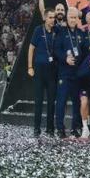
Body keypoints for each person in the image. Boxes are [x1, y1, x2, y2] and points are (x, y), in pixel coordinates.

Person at [53, 7, 85, 138]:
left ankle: (75, 128)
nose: (73, 20)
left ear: (77, 19)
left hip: (77, 74)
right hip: (64, 73)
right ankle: (60, 129)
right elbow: (56, 50)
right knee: (61, 101)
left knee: (77, 102)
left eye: (75, 17)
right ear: (67, 18)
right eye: (71, 17)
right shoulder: (61, 32)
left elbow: (84, 52)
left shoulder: (80, 33)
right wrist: (65, 59)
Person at [27, 8, 57, 137]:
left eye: (54, 17)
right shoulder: (38, 30)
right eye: (50, 17)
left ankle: (50, 129)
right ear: (45, 18)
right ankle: (36, 128)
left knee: (51, 102)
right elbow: (31, 48)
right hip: (39, 70)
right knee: (38, 101)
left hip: (52, 71)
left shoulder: (56, 31)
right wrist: (30, 67)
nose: (52, 20)